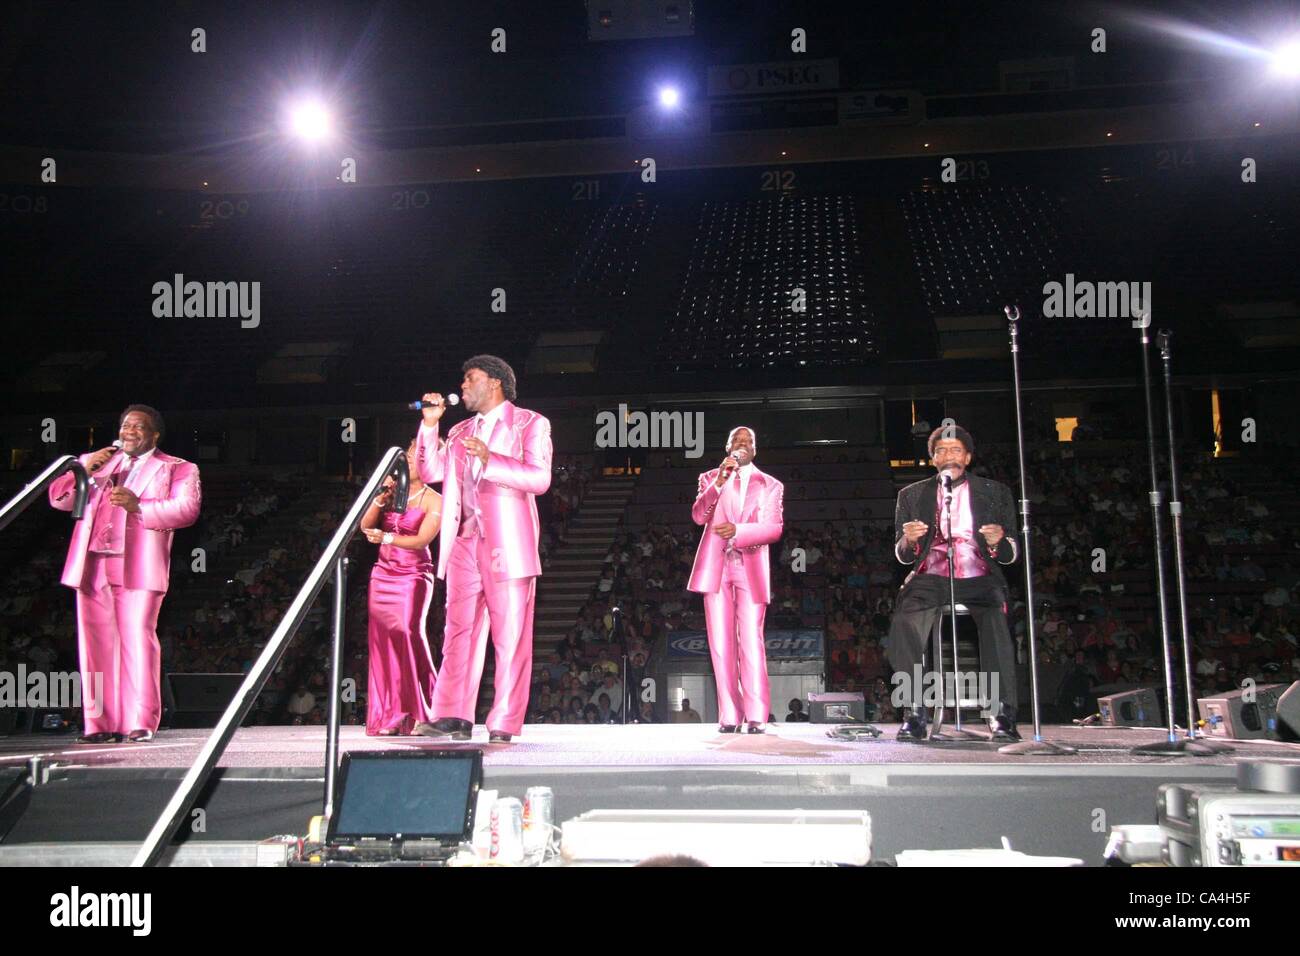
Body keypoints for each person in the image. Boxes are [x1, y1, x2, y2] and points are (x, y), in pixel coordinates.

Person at [412, 355, 552, 743]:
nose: (462, 386)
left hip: (508, 540)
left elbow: (539, 479)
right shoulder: (457, 431)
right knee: (459, 631)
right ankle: (451, 716)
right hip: (464, 540)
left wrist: (492, 461)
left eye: (469, 379)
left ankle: (504, 721)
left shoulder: (529, 423)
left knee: (510, 635)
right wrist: (429, 425)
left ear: (493, 383)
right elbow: (431, 473)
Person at [48, 404, 201, 743]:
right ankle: (99, 724)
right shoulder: (98, 463)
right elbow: (58, 500)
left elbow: (186, 509)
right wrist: (84, 468)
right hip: (92, 563)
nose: (130, 431)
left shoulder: (177, 468)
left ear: (155, 434)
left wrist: (139, 506)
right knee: (94, 645)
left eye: (139, 426)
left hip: (138, 563)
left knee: (136, 639)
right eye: (126, 425)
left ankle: (140, 720)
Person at [886, 423, 1021, 741]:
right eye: (942, 451)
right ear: (932, 458)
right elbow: (902, 556)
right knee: (905, 620)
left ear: (969, 457)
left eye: (956, 450)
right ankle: (914, 710)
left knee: (997, 620)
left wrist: (998, 541)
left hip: (979, 574)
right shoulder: (911, 494)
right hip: (930, 575)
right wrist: (908, 539)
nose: (949, 456)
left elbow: (1011, 554)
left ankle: (1001, 712)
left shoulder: (995, 492)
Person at [687, 426, 785, 734]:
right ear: (728, 447)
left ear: (755, 449)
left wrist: (740, 532)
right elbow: (699, 516)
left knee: (751, 641)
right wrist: (719, 481)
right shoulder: (709, 478)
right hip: (716, 567)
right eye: (736, 441)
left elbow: (773, 529)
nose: (742, 444)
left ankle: (756, 715)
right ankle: (729, 715)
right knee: (720, 642)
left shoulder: (769, 484)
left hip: (749, 565)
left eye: (748, 441)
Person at [360, 441, 442, 735]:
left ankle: (425, 707)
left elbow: (421, 540)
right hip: (382, 574)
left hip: (413, 574)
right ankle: (391, 712)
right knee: (382, 640)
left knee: (408, 633)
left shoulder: (435, 500)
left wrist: (387, 539)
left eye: (415, 457)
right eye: (406, 456)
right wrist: (381, 497)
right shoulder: (395, 490)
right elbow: (365, 524)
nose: (407, 461)